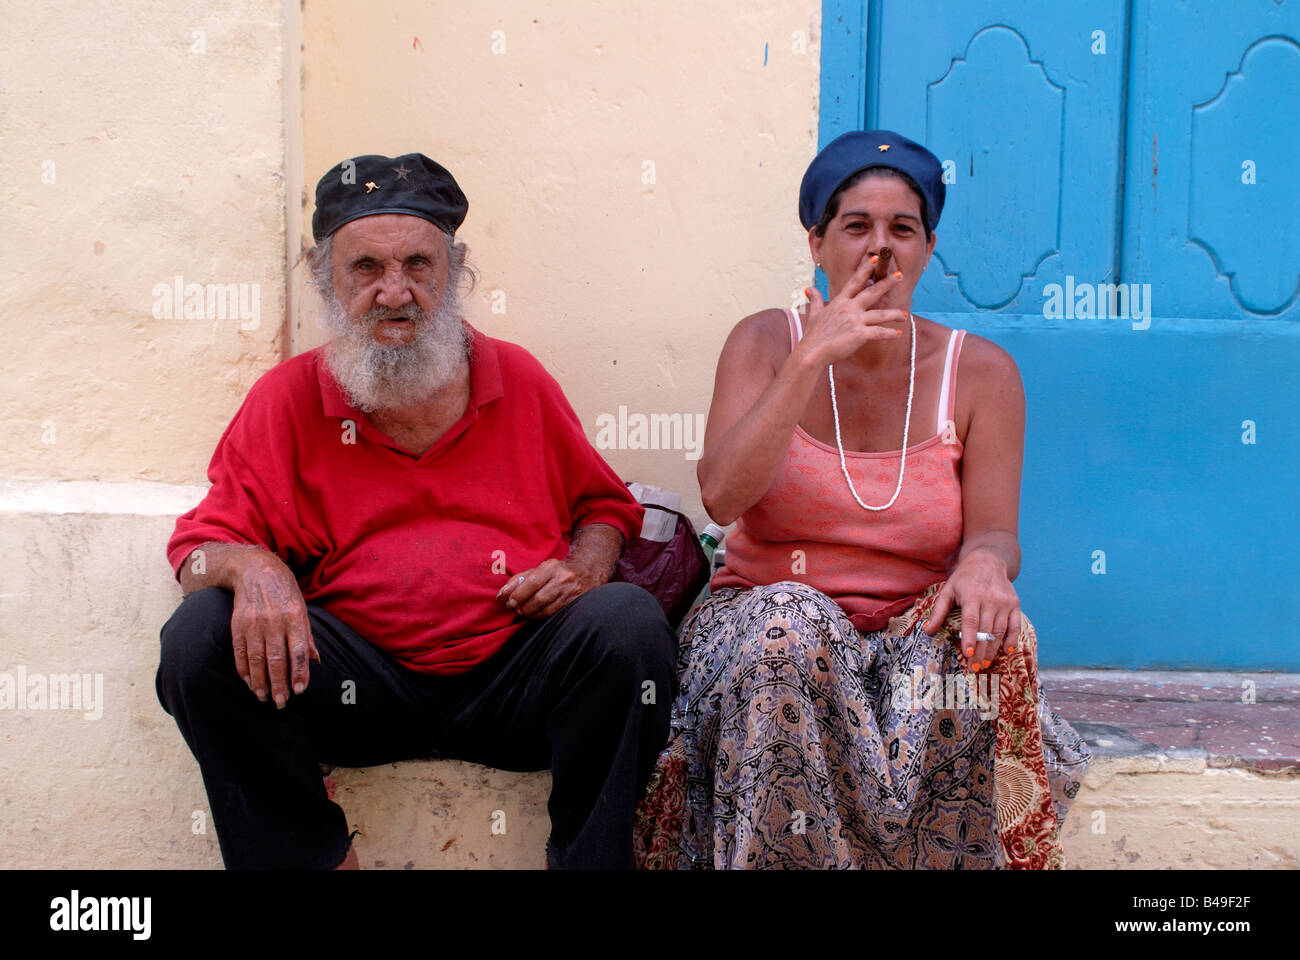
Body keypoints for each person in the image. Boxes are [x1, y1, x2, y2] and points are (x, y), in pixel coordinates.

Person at [156, 152, 676, 870]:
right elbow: (196, 550)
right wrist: (251, 566)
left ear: (453, 269)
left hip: (514, 683)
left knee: (626, 623)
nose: (394, 292)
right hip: (351, 693)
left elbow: (604, 505)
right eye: (366, 268)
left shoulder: (516, 379)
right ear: (326, 279)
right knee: (199, 638)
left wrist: (585, 569)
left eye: (418, 265)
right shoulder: (288, 400)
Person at [634, 130, 1090, 869]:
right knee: (792, 623)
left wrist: (984, 566)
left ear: (928, 248)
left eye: (902, 229)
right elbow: (721, 496)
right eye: (856, 227)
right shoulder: (765, 341)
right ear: (817, 243)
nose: (881, 249)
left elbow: (995, 533)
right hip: (764, 626)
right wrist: (812, 356)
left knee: (986, 639)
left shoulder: (980, 372)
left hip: (909, 625)